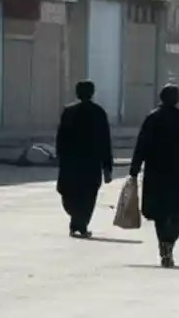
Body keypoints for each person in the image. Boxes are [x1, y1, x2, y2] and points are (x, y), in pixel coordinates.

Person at [129, 84, 179, 268]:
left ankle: (164, 244)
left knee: (161, 213)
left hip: (157, 173)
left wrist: (135, 168)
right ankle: (168, 244)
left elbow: (141, 146)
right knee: (176, 212)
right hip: (178, 174)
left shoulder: (153, 119)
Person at [55, 80, 114, 238]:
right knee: (88, 196)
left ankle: (78, 223)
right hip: (90, 163)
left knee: (70, 194)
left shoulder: (68, 112)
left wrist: (59, 157)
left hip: (71, 163)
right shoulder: (98, 112)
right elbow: (105, 141)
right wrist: (107, 167)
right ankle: (79, 223)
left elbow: (60, 138)